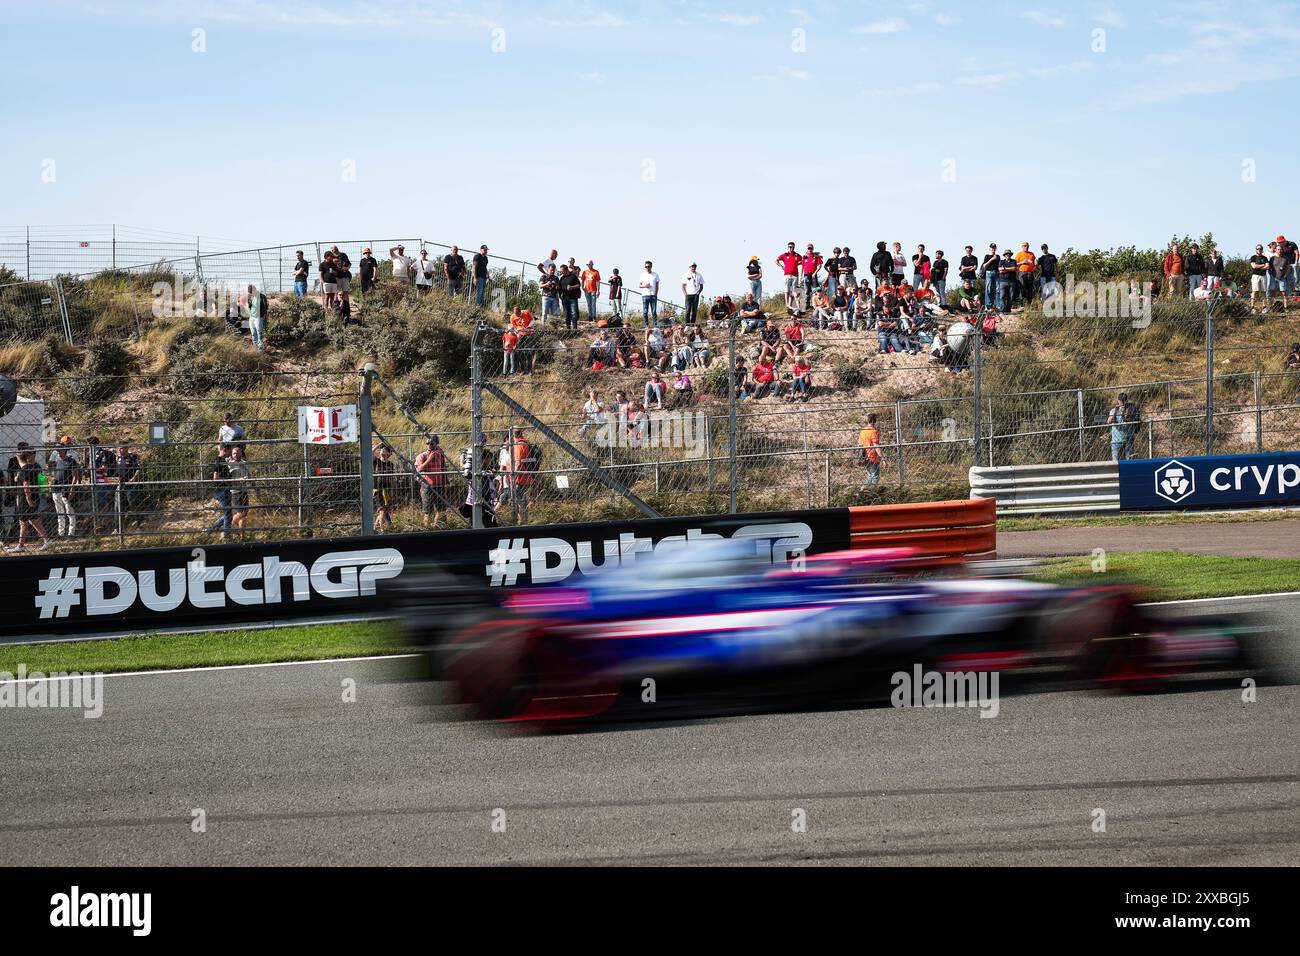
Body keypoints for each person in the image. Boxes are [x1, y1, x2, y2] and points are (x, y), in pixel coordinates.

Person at [12, 449, 50, 551]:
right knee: (31, 520)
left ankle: (21, 545)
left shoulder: (25, 469)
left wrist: (28, 499)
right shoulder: (29, 468)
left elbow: (26, 485)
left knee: (25, 522)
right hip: (30, 497)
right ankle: (22, 545)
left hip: (26, 500)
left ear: (18, 458)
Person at [414, 435, 449, 529]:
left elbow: (443, 468)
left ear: (436, 444)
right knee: (427, 511)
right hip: (427, 486)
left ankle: (434, 528)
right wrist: (429, 459)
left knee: (440, 509)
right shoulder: (422, 456)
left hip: (439, 485)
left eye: (432, 443)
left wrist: (445, 481)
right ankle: (426, 530)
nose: (429, 445)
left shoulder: (440, 455)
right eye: (427, 443)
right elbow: (419, 469)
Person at [48, 436, 81, 538]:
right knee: (60, 512)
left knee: (69, 511)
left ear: (64, 451)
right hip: (57, 489)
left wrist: (72, 489)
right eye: (57, 450)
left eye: (60, 450)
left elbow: (75, 476)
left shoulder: (71, 461)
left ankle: (71, 533)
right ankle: (61, 533)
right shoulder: (58, 461)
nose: (58, 452)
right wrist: (51, 482)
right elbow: (53, 473)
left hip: (66, 489)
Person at [206, 443, 232, 535]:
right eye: (230, 450)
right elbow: (216, 477)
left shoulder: (222, 461)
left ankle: (211, 530)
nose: (231, 452)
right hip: (221, 490)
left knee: (228, 513)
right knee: (228, 514)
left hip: (223, 490)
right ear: (225, 449)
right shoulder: (218, 461)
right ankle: (226, 535)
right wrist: (229, 480)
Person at [227, 445, 253, 537]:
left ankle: (242, 536)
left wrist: (254, 485)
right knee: (240, 513)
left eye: (238, 453)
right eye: (234, 453)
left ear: (241, 453)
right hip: (234, 492)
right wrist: (238, 480)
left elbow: (250, 476)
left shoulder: (244, 463)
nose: (236, 455)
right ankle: (228, 529)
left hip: (244, 491)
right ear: (231, 454)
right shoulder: (228, 464)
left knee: (244, 515)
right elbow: (225, 477)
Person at [1108, 392, 1141, 462]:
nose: (1122, 402)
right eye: (1121, 400)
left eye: (1123, 400)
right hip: (1117, 440)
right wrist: (1116, 411)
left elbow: (1135, 420)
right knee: (1116, 462)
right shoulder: (1114, 410)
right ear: (1118, 400)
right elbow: (1109, 421)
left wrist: (1128, 415)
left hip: (1128, 439)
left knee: (1129, 460)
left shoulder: (1131, 409)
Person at [115, 443, 142, 523]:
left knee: (132, 503)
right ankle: (118, 526)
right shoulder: (118, 458)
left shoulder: (132, 457)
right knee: (117, 506)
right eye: (119, 448)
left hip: (130, 485)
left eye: (121, 448)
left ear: (126, 448)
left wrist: (134, 478)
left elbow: (138, 468)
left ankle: (138, 523)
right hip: (120, 484)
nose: (119, 450)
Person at [372, 444, 395, 531]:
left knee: (384, 510)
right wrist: (378, 445)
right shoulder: (376, 461)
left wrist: (392, 489)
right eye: (382, 450)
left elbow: (391, 477)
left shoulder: (390, 464)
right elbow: (370, 453)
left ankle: (374, 528)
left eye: (385, 450)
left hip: (387, 490)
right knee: (381, 510)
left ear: (389, 453)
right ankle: (382, 530)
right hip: (378, 489)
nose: (383, 451)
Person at [776, 242, 801, 310]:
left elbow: (803, 261)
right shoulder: (785, 255)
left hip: (795, 275)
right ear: (788, 247)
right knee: (786, 290)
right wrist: (782, 266)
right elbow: (776, 260)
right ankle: (787, 305)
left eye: (792, 247)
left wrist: (797, 264)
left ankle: (792, 305)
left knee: (794, 291)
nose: (791, 248)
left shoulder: (797, 255)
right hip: (787, 275)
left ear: (794, 247)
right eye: (790, 247)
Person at [859, 414, 883, 485]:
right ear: (873, 421)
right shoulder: (873, 432)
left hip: (865, 457)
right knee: (875, 477)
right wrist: (883, 459)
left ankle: (863, 491)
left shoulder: (862, 431)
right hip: (873, 457)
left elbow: (860, 444)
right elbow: (876, 446)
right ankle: (870, 493)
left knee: (870, 476)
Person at [558, 264, 582, 330]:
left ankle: (574, 329)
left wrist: (572, 287)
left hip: (573, 298)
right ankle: (568, 329)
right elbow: (559, 288)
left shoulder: (573, 276)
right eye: (561, 271)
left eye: (562, 271)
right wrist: (560, 295)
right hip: (564, 299)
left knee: (574, 313)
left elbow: (579, 285)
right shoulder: (562, 278)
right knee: (567, 314)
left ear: (566, 270)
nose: (561, 272)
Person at [638, 260, 660, 327]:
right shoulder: (642, 275)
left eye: (648, 266)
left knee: (654, 312)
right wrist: (645, 286)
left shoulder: (655, 274)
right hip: (645, 295)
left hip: (653, 295)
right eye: (646, 266)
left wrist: (655, 294)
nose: (647, 268)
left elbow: (657, 285)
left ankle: (655, 325)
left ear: (651, 267)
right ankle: (646, 326)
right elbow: (640, 285)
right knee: (645, 312)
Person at [1249, 244, 1270, 309]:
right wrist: (1263, 265)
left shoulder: (1265, 258)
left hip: (1263, 276)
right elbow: (1254, 266)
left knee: (1264, 291)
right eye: (1257, 249)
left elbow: (1268, 267)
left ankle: (1264, 307)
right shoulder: (1253, 257)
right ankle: (1252, 307)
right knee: (1254, 291)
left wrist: (1258, 266)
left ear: (1262, 250)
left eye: (1260, 249)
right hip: (1255, 276)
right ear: (1256, 250)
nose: (1259, 250)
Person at [980, 243, 1000, 308]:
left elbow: (999, 265)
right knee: (988, 289)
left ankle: (997, 305)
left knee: (997, 289)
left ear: (996, 249)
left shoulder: (998, 256)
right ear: (989, 249)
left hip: (997, 273)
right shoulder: (987, 256)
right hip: (989, 273)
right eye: (992, 248)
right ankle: (988, 306)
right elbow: (984, 265)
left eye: (994, 248)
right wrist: (991, 259)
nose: (993, 249)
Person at [247, 284, 266, 349]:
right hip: (251, 317)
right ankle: (255, 348)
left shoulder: (262, 296)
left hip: (258, 317)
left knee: (259, 333)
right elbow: (250, 306)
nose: (250, 294)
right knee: (253, 333)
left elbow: (265, 307)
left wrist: (261, 315)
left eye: (251, 292)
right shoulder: (251, 297)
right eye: (250, 293)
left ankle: (260, 348)